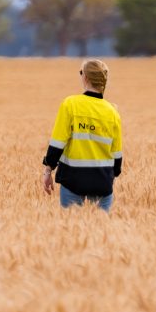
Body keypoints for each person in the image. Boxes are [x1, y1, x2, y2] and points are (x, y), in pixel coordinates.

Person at [42, 59, 124, 211]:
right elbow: (117, 158)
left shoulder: (70, 104)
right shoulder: (113, 112)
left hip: (73, 180)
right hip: (103, 183)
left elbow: (57, 144)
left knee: (71, 230)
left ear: (85, 78)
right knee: (102, 232)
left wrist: (48, 171)